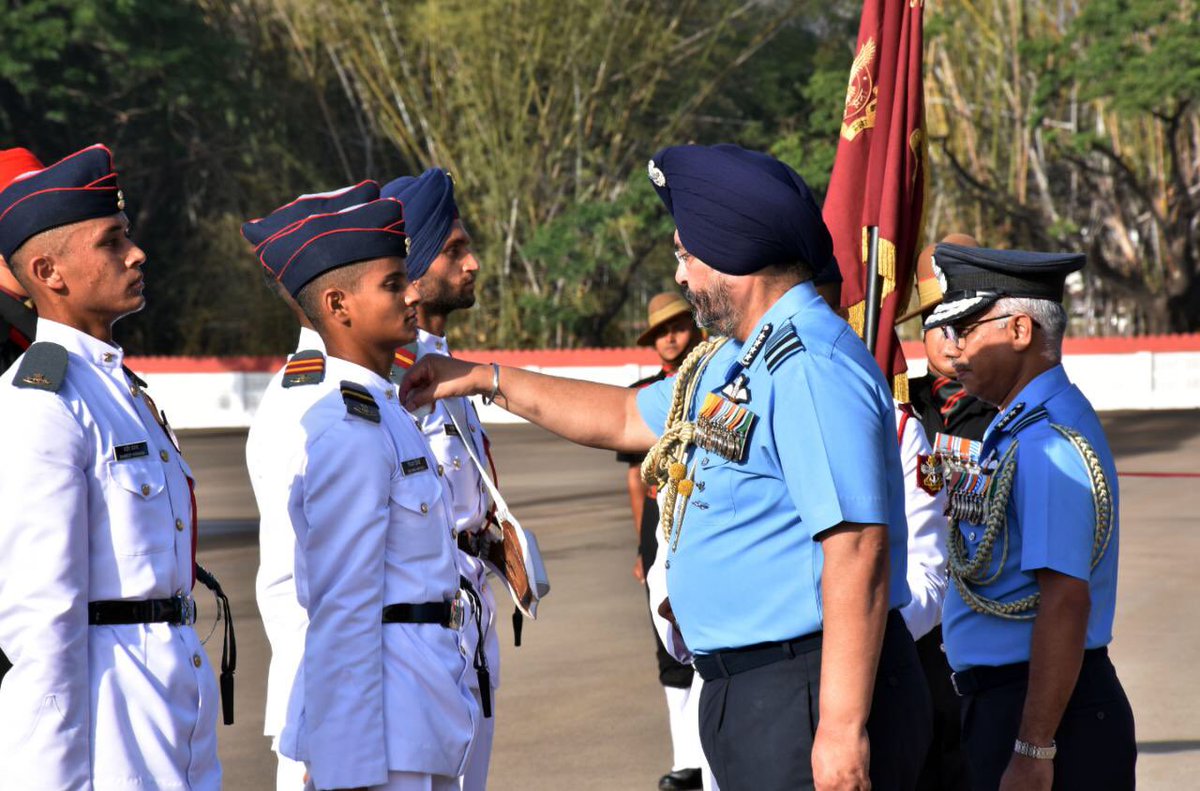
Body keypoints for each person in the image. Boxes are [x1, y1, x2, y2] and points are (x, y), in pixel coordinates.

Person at [401, 144, 932, 791]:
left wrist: (843, 728)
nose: (680, 276)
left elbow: (857, 548)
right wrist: (482, 377)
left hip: (813, 687)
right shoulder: (729, 361)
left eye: (687, 255)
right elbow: (626, 416)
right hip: (759, 691)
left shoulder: (809, 364)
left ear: (733, 251)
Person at [0, 144, 222, 788]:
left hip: (172, 691)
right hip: (110, 705)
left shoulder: (118, 388)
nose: (137, 253)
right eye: (112, 241)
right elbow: (40, 620)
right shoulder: (43, 401)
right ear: (50, 272)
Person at [253, 196, 478, 791]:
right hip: (377, 727)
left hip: (412, 707)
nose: (411, 295)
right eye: (393, 283)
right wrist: (345, 765)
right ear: (338, 306)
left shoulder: (384, 409)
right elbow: (344, 607)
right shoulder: (349, 427)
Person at [924, 243, 1136, 790]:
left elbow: (1065, 601)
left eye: (967, 330)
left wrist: (1032, 748)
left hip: (1043, 712)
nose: (955, 350)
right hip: (1015, 702)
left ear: (1019, 331)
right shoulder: (1019, 427)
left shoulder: (1047, 442)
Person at [242, 179, 383, 790]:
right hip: (333, 699)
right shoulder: (313, 402)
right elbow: (300, 585)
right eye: (393, 279)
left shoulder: (367, 390)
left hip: (383, 684)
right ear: (333, 298)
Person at [380, 168, 501, 791]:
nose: (473, 263)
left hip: (468, 621)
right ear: (412, 267)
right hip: (422, 628)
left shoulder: (448, 370)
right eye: (453, 251)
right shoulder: (396, 380)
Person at [897, 234, 991, 791]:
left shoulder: (1014, 406)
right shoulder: (894, 404)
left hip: (991, 622)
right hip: (920, 632)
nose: (952, 338)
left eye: (966, 318)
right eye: (937, 319)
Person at [617, 290, 705, 791]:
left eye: (676, 326)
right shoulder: (644, 393)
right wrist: (639, 547)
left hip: (705, 524)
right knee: (667, 647)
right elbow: (635, 480)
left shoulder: (713, 381)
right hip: (661, 531)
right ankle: (685, 759)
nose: (670, 338)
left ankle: (707, 756)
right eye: (660, 332)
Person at [905, 235, 997, 444]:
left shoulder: (1004, 406)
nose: (951, 338)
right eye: (939, 322)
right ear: (924, 329)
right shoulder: (900, 403)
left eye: (963, 323)